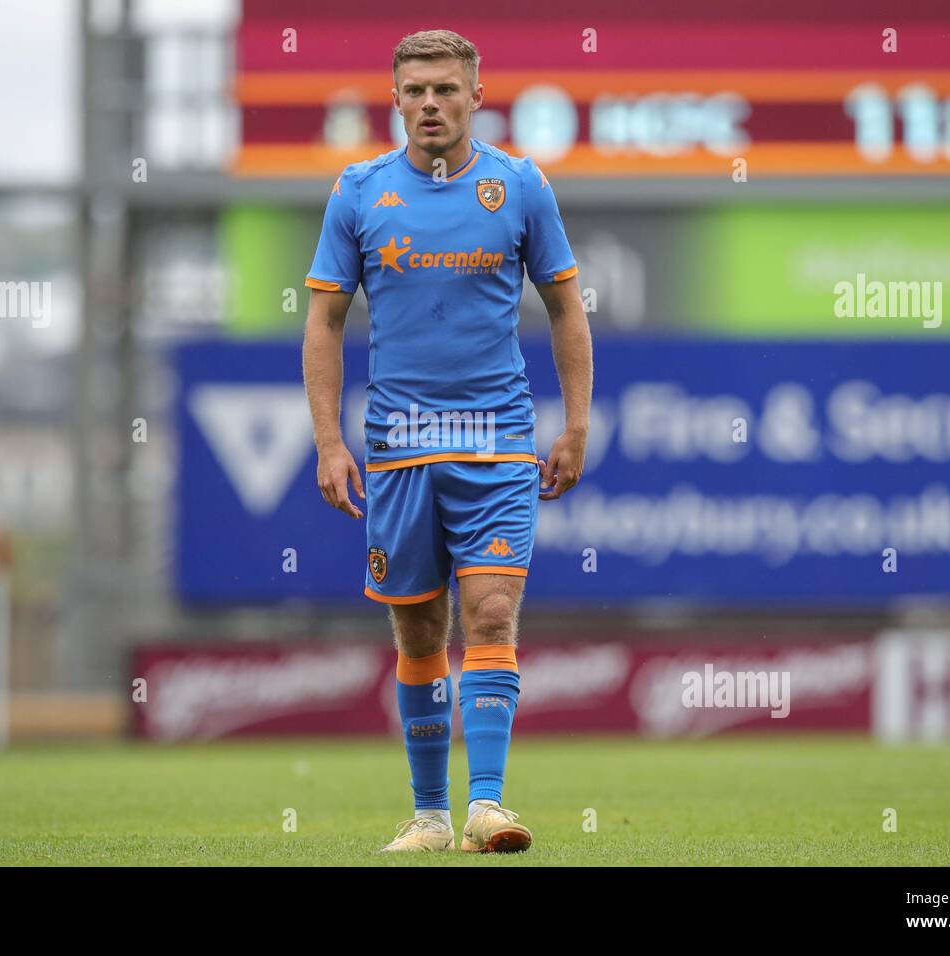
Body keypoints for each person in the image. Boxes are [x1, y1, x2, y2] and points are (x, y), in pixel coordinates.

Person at [302, 29, 592, 853]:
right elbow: (324, 322)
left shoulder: (520, 186)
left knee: (491, 611)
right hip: (397, 450)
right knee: (420, 632)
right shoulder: (358, 192)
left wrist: (573, 425)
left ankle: (488, 805)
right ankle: (429, 815)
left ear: (475, 96)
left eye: (447, 90)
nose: (431, 104)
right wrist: (329, 441)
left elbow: (567, 307)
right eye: (417, 91)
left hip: (498, 442)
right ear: (395, 100)